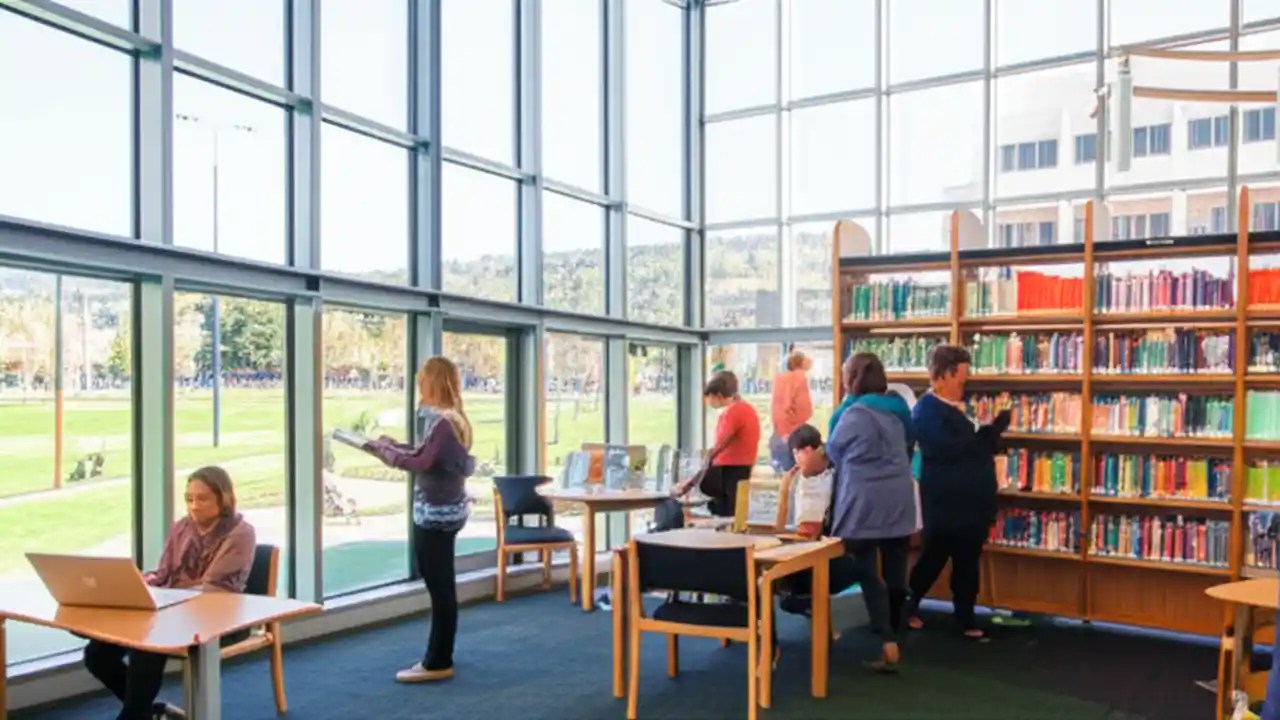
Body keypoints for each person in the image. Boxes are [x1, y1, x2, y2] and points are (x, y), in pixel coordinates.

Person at [84, 466, 256, 720]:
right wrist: (139, 583)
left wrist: (168, 597)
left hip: (219, 618)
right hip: (172, 611)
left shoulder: (241, 533)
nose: (194, 506)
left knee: (149, 644)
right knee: (97, 654)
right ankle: (144, 711)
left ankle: (134, 714)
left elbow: (214, 588)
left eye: (203, 498)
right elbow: (165, 573)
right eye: (189, 499)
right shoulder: (182, 527)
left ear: (225, 498)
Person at [366, 356, 476, 683]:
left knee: (439, 586)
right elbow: (425, 453)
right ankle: (441, 653)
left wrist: (387, 455)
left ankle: (438, 661)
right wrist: (389, 446)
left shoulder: (442, 422)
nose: (418, 387)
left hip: (436, 516)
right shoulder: (452, 420)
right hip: (448, 512)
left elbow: (422, 462)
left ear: (432, 383)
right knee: (443, 585)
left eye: (422, 381)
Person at [905, 344, 1009, 641]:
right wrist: (987, 436)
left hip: (969, 503)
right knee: (935, 558)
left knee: (964, 561)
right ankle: (907, 608)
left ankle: (964, 615)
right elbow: (949, 450)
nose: (964, 385)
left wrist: (990, 434)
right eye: (960, 379)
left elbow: (969, 447)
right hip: (948, 502)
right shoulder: (926, 412)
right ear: (940, 377)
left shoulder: (956, 410)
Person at [826, 352, 918, 672]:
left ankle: (886, 638)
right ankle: (898, 634)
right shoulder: (899, 411)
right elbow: (909, 444)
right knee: (896, 571)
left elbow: (833, 452)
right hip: (898, 499)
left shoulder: (851, 414)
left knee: (865, 570)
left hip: (862, 502)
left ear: (851, 380)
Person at [673, 371, 761, 517]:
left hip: (728, 469)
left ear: (718, 395)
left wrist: (692, 480)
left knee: (725, 512)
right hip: (743, 465)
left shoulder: (733, 412)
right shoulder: (747, 409)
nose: (708, 402)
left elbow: (720, 444)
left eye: (710, 398)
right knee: (735, 510)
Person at [769, 350, 813, 473]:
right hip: (793, 434)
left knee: (784, 478)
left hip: (779, 433)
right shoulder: (799, 378)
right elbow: (804, 409)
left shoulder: (780, 380)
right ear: (801, 363)